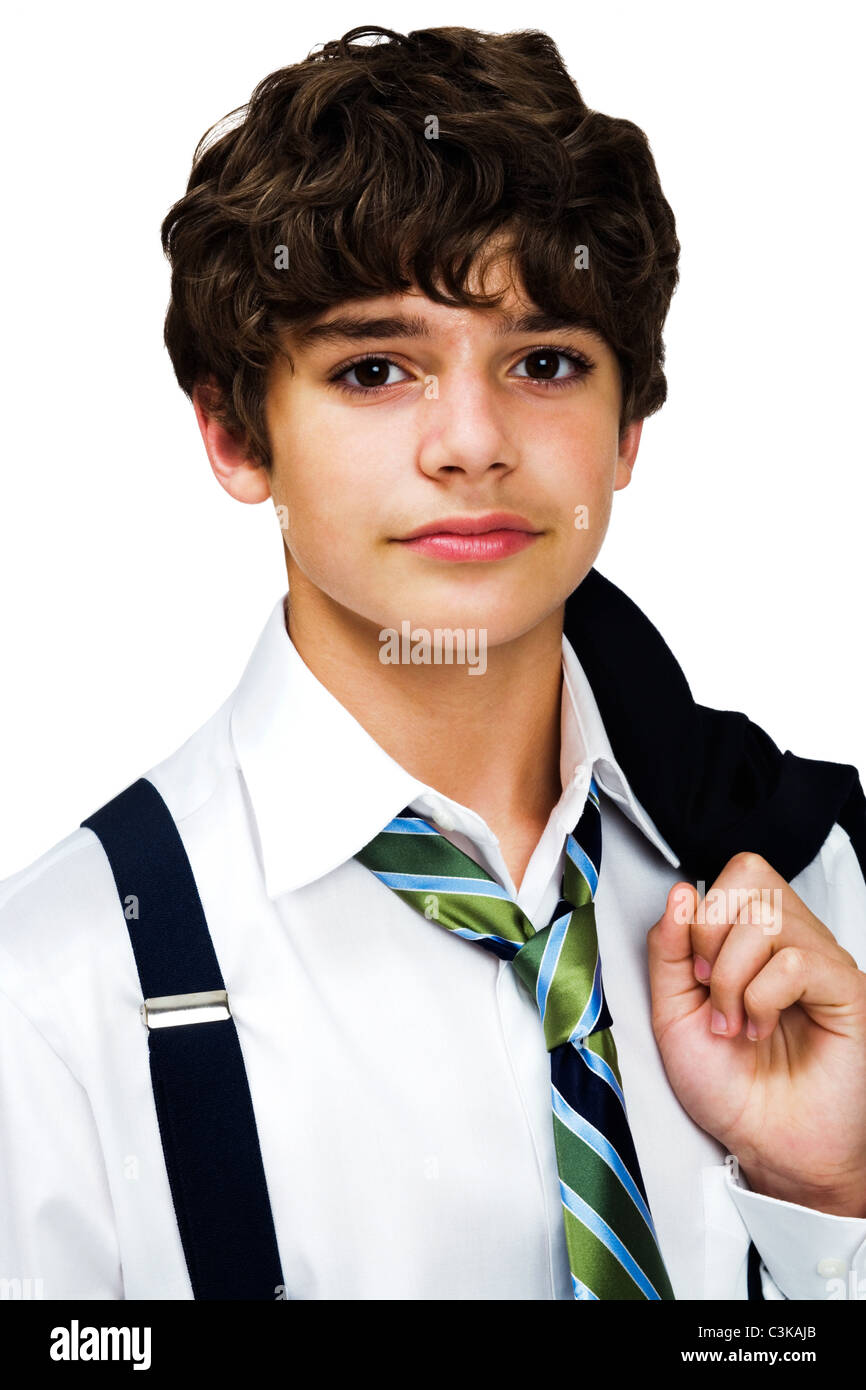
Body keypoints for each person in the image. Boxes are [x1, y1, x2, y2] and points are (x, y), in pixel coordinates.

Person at [1, 23, 865, 1303]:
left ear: (627, 428)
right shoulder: (57, 996)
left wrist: (827, 1199)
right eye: (373, 368)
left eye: (546, 361)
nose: (470, 440)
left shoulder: (815, 891)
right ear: (237, 436)